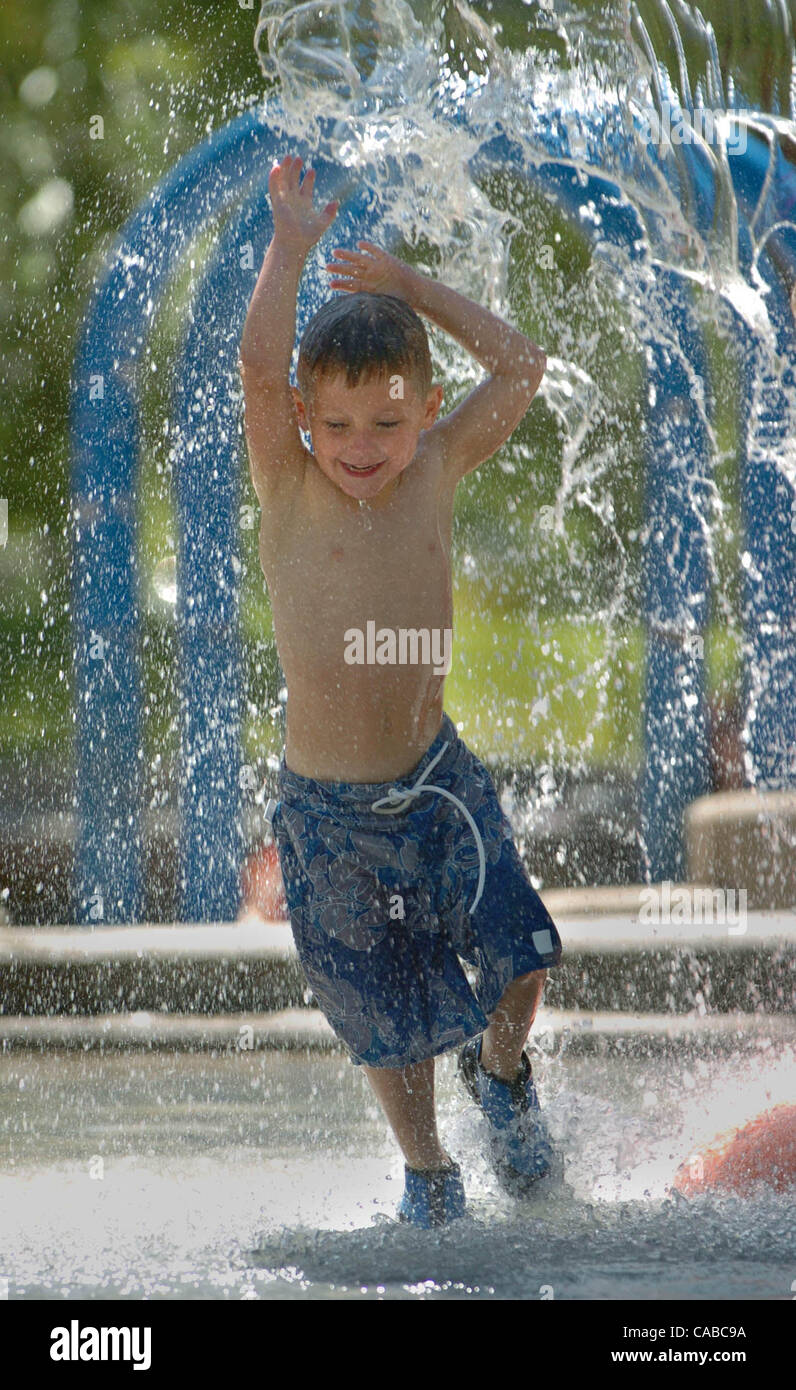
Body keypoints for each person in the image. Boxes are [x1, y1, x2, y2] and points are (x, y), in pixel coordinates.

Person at [238, 153, 563, 1227]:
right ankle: (427, 1166)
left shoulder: (435, 465)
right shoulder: (289, 484)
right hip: (328, 814)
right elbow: (254, 366)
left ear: (424, 410)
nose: (361, 449)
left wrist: (414, 287)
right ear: (301, 419)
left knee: (519, 958)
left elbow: (521, 365)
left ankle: (506, 1074)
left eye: (384, 422)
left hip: (436, 782)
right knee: (386, 1018)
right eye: (334, 427)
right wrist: (289, 251)